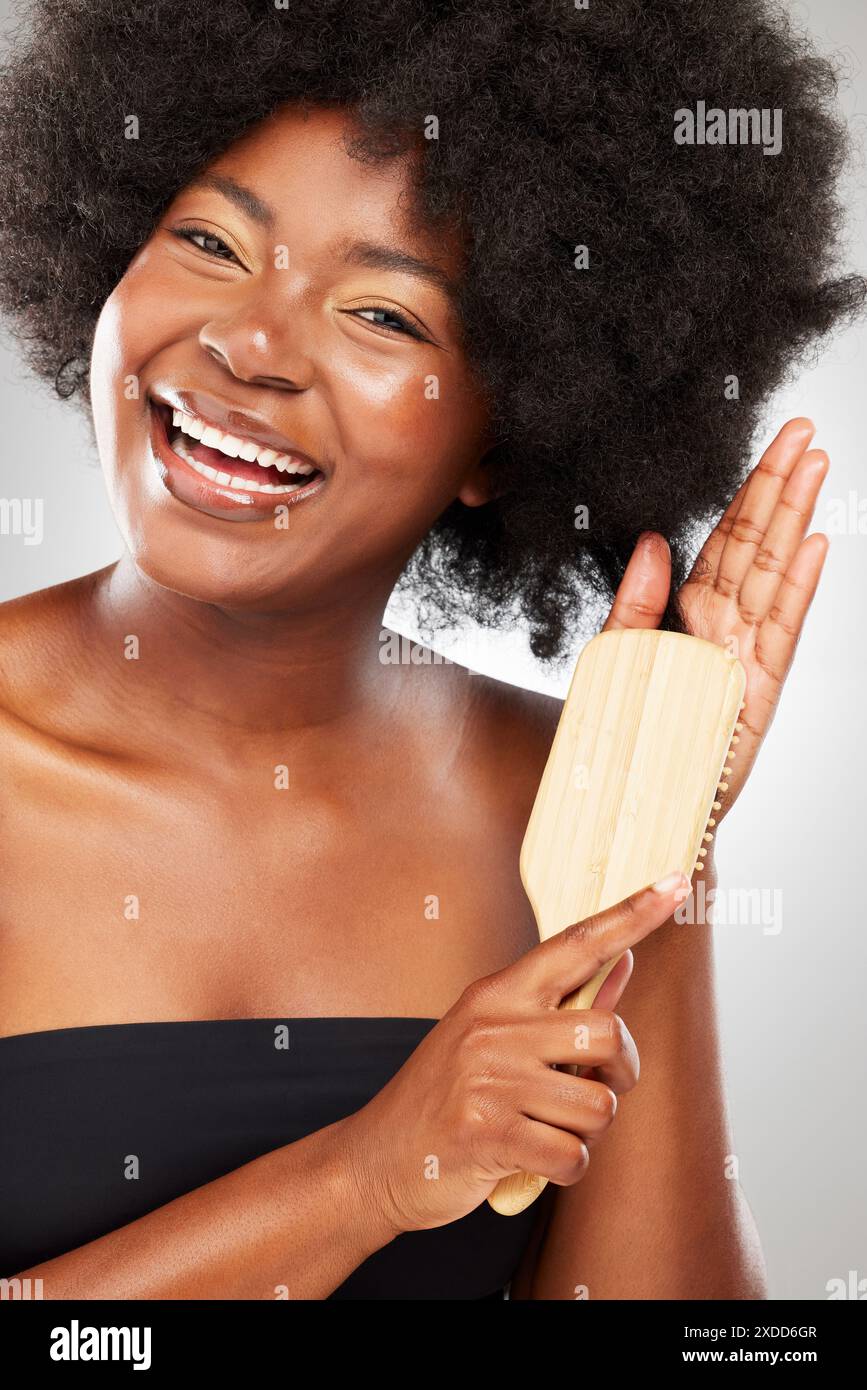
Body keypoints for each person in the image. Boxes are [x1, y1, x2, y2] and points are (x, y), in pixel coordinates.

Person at [0, 0, 861, 1299]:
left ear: (507, 433)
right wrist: (367, 1178)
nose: (250, 345)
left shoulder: (562, 795)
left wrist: (659, 842)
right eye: (210, 239)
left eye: (385, 317)